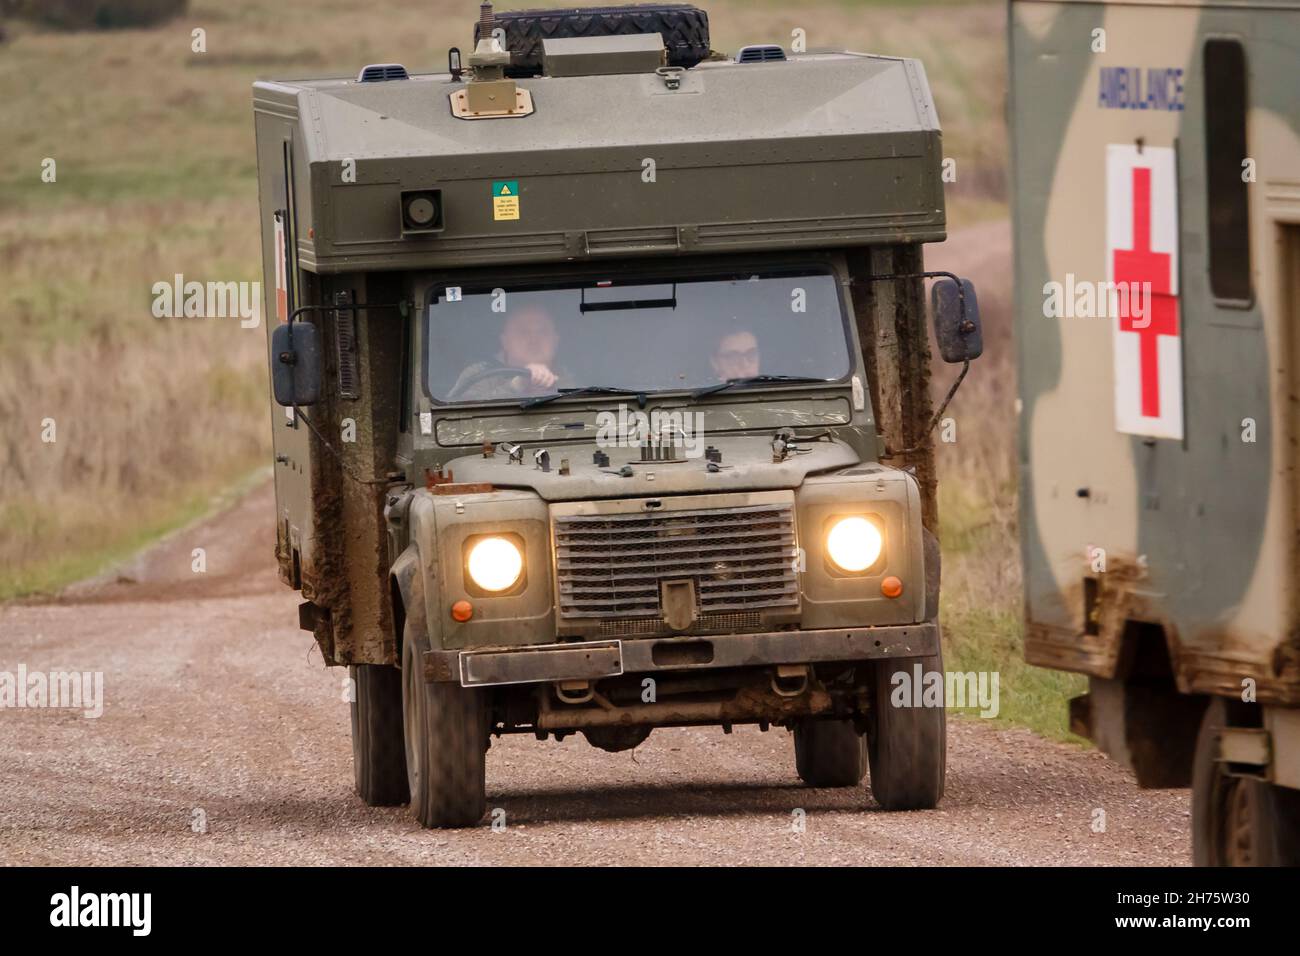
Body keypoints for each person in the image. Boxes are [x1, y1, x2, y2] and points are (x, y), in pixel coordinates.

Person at [449, 306, 563, 399]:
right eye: (522, 332)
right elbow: (459, 415)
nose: (533, 339)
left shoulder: (575, 377)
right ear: (505, 341)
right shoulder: (478, 374)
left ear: (556, 340)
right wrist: (516, 385)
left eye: (542, 331)